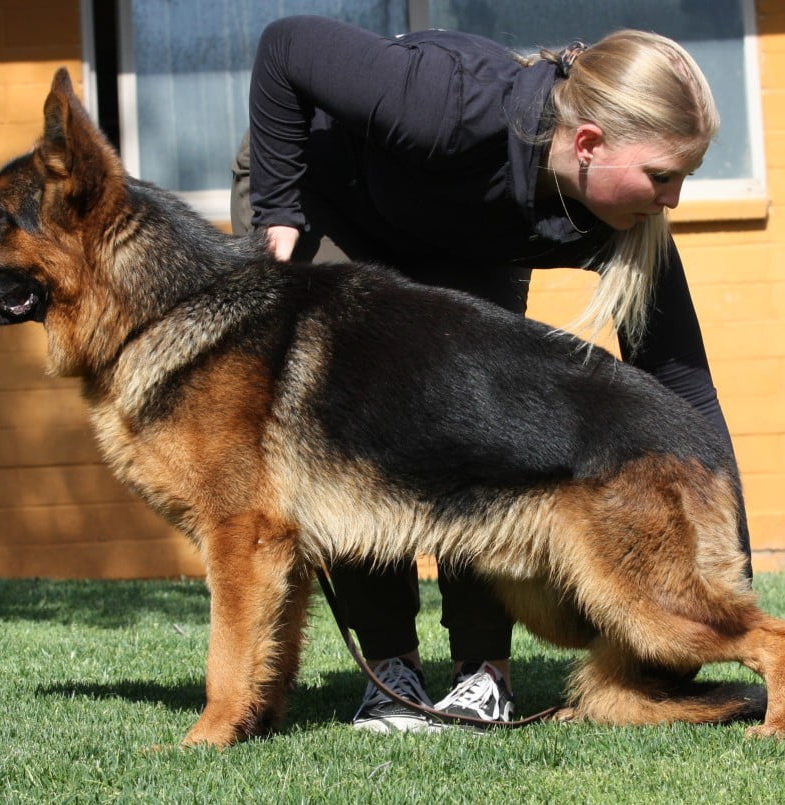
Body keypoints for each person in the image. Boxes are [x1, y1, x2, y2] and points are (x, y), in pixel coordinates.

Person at [231, 14, 751, 733]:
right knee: (350, 420)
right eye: (663, 175)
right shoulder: (450, 104)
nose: (673, 200)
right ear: (591, 144)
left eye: (683, 177)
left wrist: (726, 586)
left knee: (487, 423)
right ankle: (391, 670)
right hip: (324, 190)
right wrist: (278, 209)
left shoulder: (618, 219)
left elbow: (684, 386)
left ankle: (484, 674)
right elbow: (284, 48)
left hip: (460, 236)